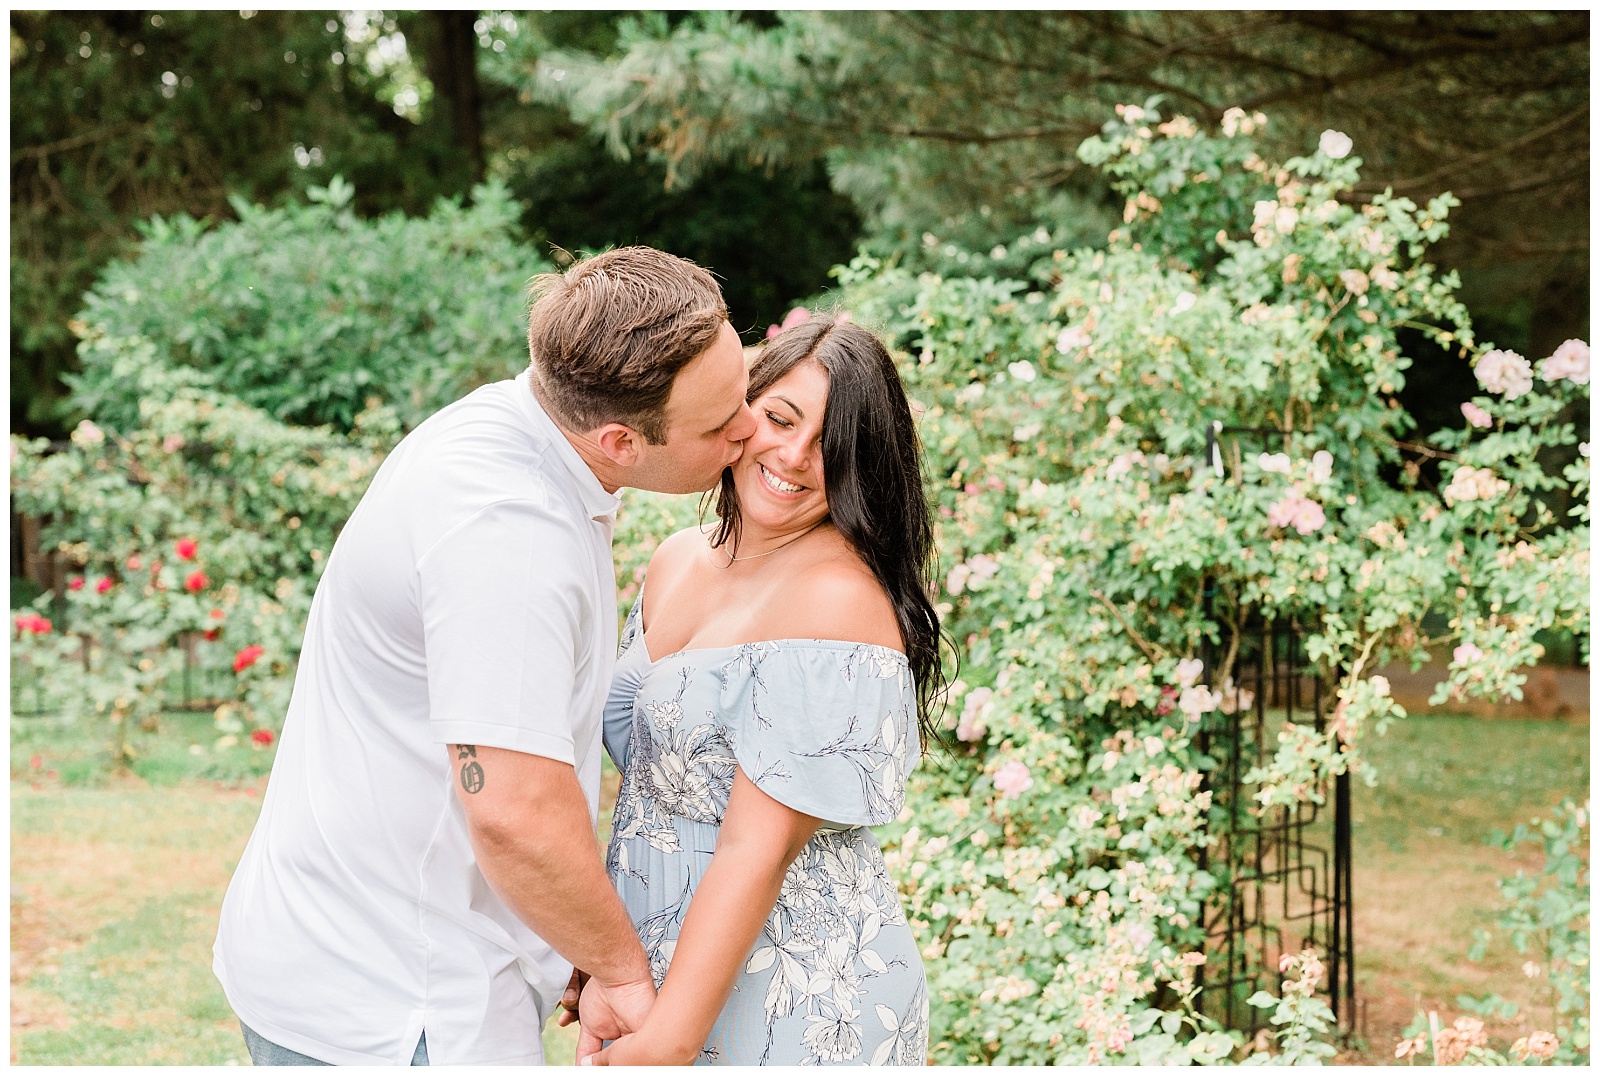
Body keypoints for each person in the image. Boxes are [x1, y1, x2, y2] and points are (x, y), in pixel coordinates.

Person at [213, 246, 757, 1065]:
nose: (748, 428)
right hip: (395, 1000)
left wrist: (570, 928)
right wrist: (619, 969)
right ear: (618, 441)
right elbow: (512, 811)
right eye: (722, 425)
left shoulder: (519, 428)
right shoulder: (507, 533)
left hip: (348, 945)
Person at [582, 316, 945, 1065]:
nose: (793, 456)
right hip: (662, 968)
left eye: (829, 447)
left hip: (798, 992)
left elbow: (757, 848)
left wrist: (671, 1040)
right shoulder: (678, 558)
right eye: (779, 419)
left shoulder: (836, 603)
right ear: (739, 410)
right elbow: (644, 789)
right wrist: (598, 954)